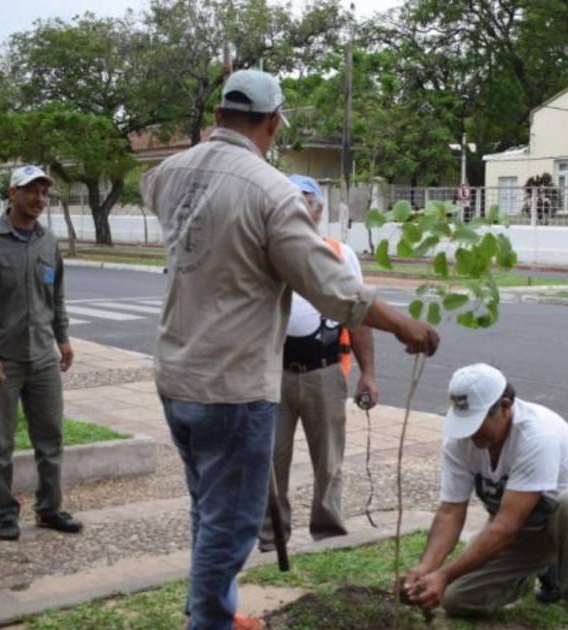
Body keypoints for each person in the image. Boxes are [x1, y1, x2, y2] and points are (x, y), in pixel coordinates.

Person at [142, 69, 439, 630]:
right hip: (231, 388)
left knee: (209, 508)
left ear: (219, 116)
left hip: (177, 377)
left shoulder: (169, 175)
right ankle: (208, 622)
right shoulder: (271, 192)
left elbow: (157, 186)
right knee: (229, 523)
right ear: (275, 122)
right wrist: (404, 325)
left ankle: (214, 612)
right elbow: (336, 290)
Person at [401, 364, 568, 630]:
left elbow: (505, 527)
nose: (470, 434)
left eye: (477, 423)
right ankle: (539, 569)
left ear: (505, 407)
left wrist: (445, 573)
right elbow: (451, 511)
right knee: (455, 598)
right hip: (526, 531)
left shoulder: (537, 433)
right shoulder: (459, 439)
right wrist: (428, 568)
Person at [257, 175, 379, 553]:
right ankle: (272, 536)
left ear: (317, 209)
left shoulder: (339, 255)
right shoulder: (265, 253)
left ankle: (328, 532)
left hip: (324, 372)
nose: (296, 208)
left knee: (329, 461)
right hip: (272, 374)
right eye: (288, 201)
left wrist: (369, 374)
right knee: (270, 462)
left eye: (304, 200)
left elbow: (358, 317)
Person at [0, 165, 81, 542]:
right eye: (31, 191)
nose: (39, 199)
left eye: (44, 193)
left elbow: (55, 295)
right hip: (3, 359)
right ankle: (4, 514)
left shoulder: (47, 241)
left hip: (43, 357)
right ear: (12, 193)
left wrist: (62, 337)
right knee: (0, 444)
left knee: (51, 437)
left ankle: (49, 508)